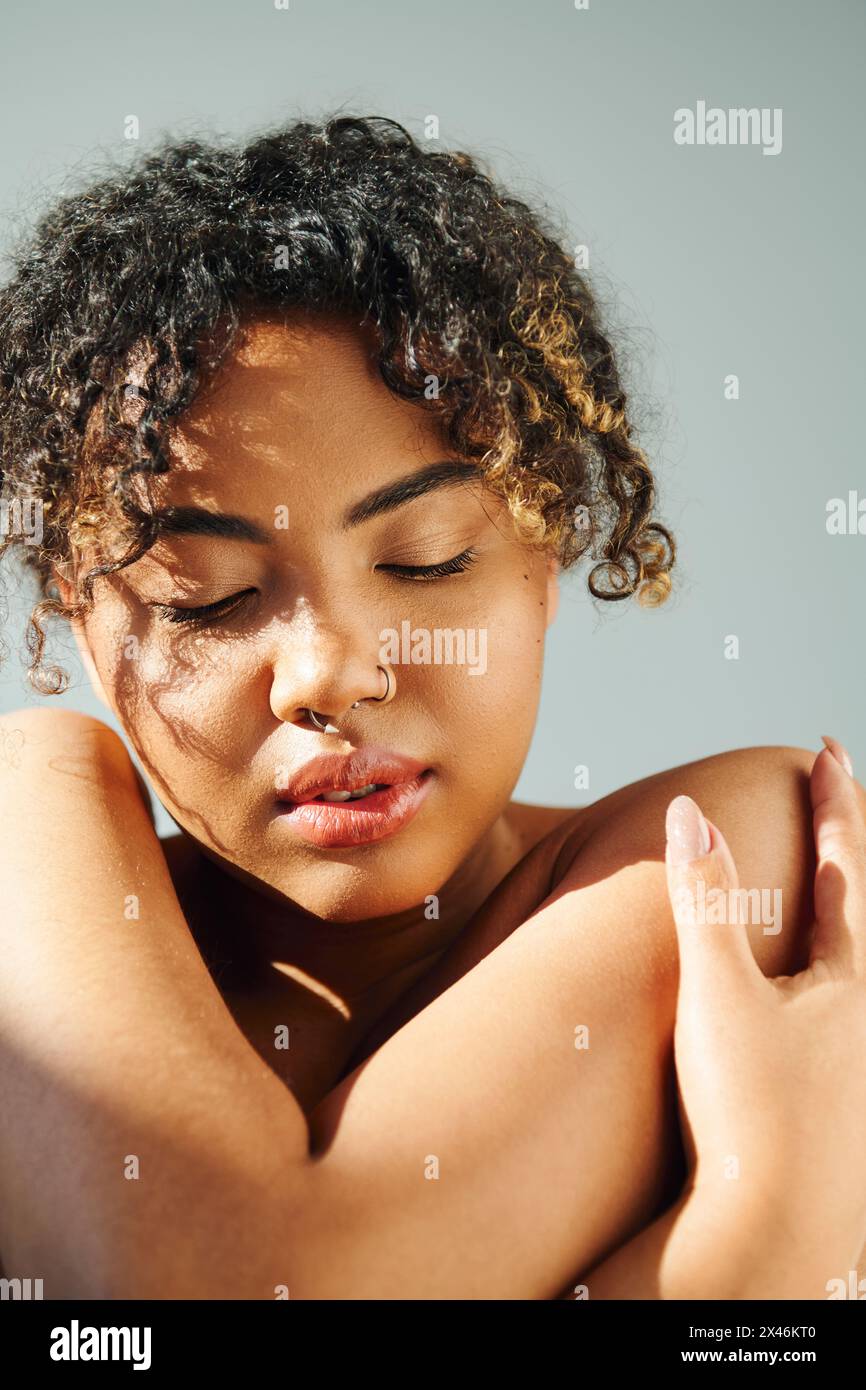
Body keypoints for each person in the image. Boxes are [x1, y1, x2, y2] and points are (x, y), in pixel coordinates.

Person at [0, 114, 863, 1298]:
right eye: (210, 599)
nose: (329, 675)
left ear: (542, 552)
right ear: (83, 620)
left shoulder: (731, 867)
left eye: (423, 560)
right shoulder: (26, 839)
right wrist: (750, 1250)